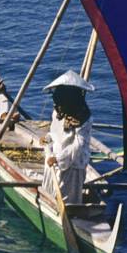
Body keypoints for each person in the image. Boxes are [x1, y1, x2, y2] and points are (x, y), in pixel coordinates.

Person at [40, 71, 94, 205]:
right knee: (51, 194)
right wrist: (47, 138)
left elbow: (78, 146)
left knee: (68, 200)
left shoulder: (84, 118)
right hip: (56, 161)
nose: (57, 106)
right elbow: (56, 133)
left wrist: (59, 159)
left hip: (73, 165)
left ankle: (71, 214)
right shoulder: (58, 112)